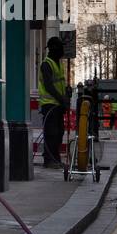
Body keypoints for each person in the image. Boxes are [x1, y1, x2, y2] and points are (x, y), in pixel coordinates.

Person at [38, 36, 68, 167]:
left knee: (59, 132)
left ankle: (55, 158)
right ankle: (49, 160)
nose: (62, 51)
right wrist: (62, 99)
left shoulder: (58, 63)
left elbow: (59, 82)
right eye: (60, 47)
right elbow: (49, 86)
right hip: (49, 104)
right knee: (51, 133)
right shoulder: (46, 64)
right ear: (54, 49)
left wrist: (66, 92)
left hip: (58, 104)